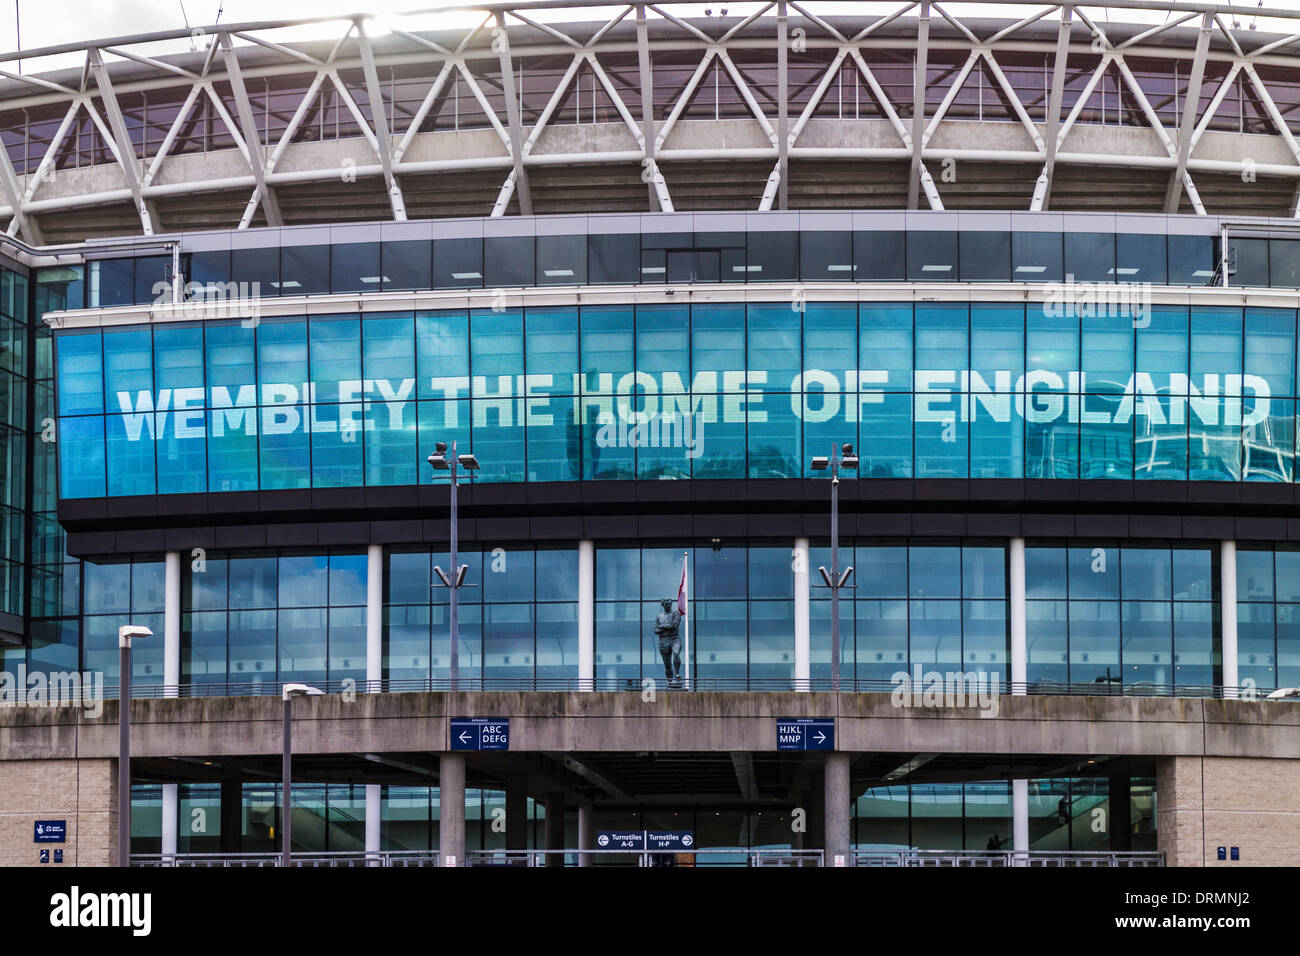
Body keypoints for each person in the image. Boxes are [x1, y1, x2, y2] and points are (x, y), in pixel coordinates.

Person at [654, 598, 683, 687]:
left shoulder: (676, 613)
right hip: (663, 641)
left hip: (674, 639)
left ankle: (677, 674)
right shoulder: (659, 617)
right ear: (663, 605)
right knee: (667, 665)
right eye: (666, 603)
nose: (668, 605)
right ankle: (670, 682)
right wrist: (667, 626)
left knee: (676, 653)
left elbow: (674, 625)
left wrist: (662, 626)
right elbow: (655, 630)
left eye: (670, 603)